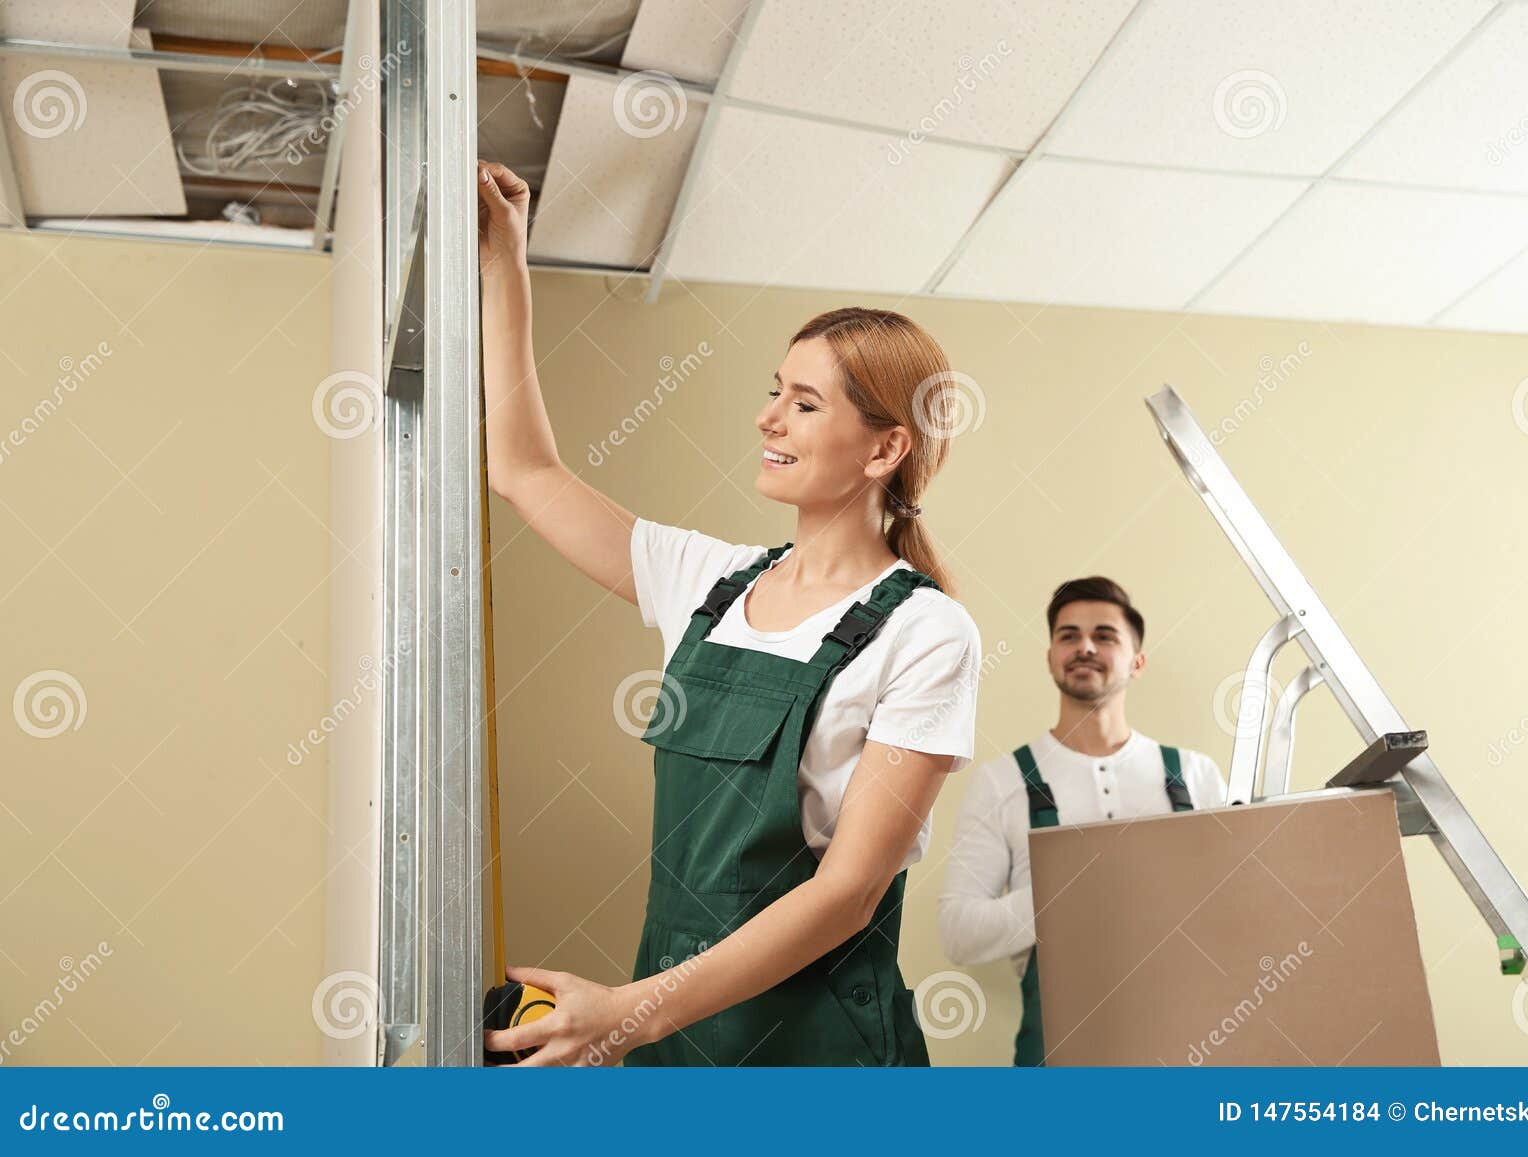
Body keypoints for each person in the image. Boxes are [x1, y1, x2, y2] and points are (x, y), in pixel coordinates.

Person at [474, 160, 982, 1066]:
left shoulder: (925, 632)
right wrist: (505, 261)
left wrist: (631, 1013)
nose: (768, 418)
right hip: (676, 1036)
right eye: (774, 389)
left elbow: (848, 893)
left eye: (805, 402)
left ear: (886, 447)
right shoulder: (707, 583)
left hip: (819, 1056)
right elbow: (524, 471)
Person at [937, 576, 1226, 1066]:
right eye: (1068, 635)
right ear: (1051, 656)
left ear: (1138, 661)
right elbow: (957, 933)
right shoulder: (1000, 782)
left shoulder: (1196, 776)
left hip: (1192, 1052)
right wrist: (1069, 894)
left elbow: (1236, 919)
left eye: (1105, 635)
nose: (1085, 646)